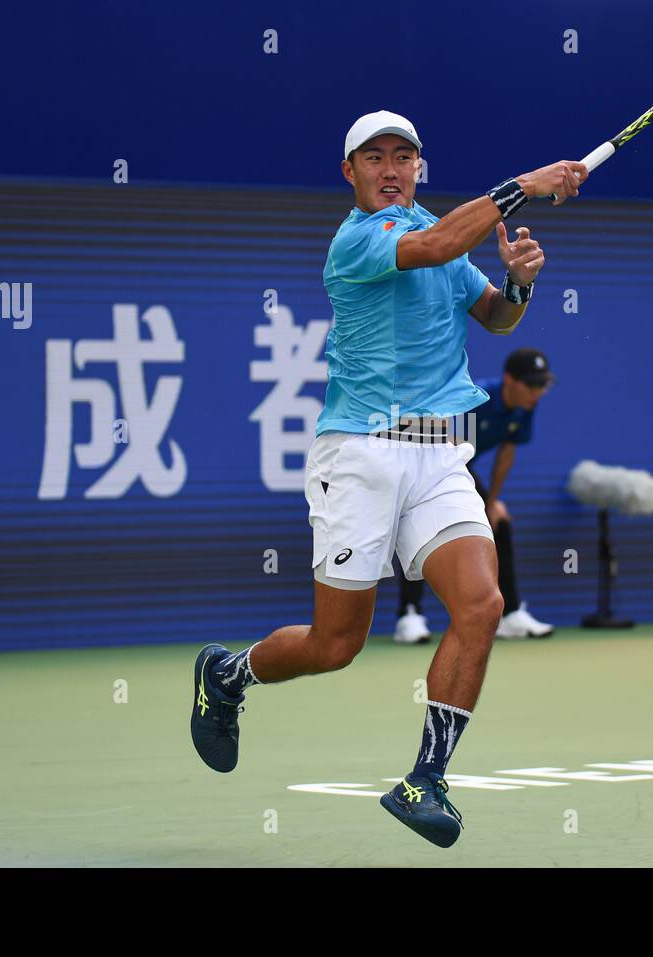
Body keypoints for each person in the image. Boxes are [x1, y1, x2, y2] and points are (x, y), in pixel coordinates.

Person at [190, 110, 588, 847]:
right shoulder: (361, 239)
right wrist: (527, 185)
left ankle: (425, 779)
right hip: (360, 454)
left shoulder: (445, 230)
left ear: (418, 167)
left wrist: (519, 284)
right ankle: (227, 672)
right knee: (335, 644)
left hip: (440, 455)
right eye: (373, 158)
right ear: (351, 173)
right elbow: (436, 244)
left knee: (481, 601)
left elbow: (496, 319)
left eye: (403, 156)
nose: (390, 168)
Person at [395, 347, 556, 644]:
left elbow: (505, 455)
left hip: (454, 467)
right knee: (416, 529)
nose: (538, 392)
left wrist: (491, 503)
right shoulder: (474, 401)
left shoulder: (523, 409)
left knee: (500, 524)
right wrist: (481, 501)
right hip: (421, 459)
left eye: (542, 385)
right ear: (510, 380)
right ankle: (410, 615)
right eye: (532, 385)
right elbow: (444, 444)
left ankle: (510, 615)